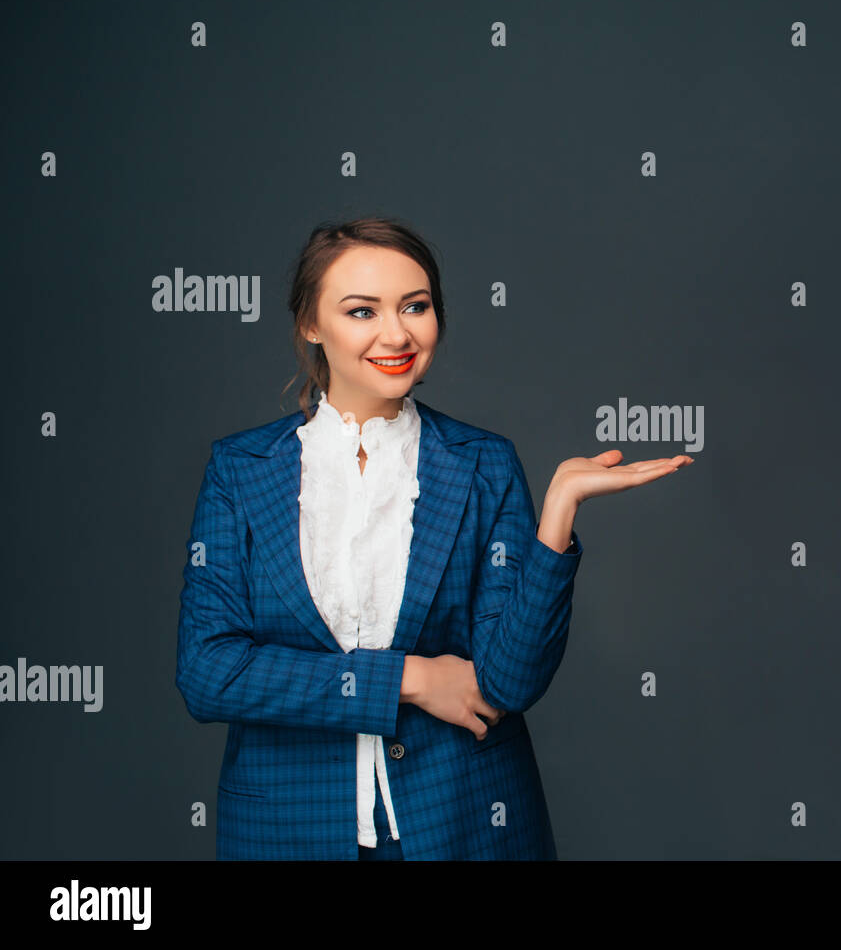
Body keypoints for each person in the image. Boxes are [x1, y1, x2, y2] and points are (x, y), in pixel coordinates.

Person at [175, 217, 692, 859]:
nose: (397, 334)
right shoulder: (240, 470)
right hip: (289, 832)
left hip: (463, 825)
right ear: (311, 323)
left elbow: (508, 683)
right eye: (362, 311)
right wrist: (408, 680)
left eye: (415, 306)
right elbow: (208, 673)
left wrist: (556, 517)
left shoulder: (483, 462)